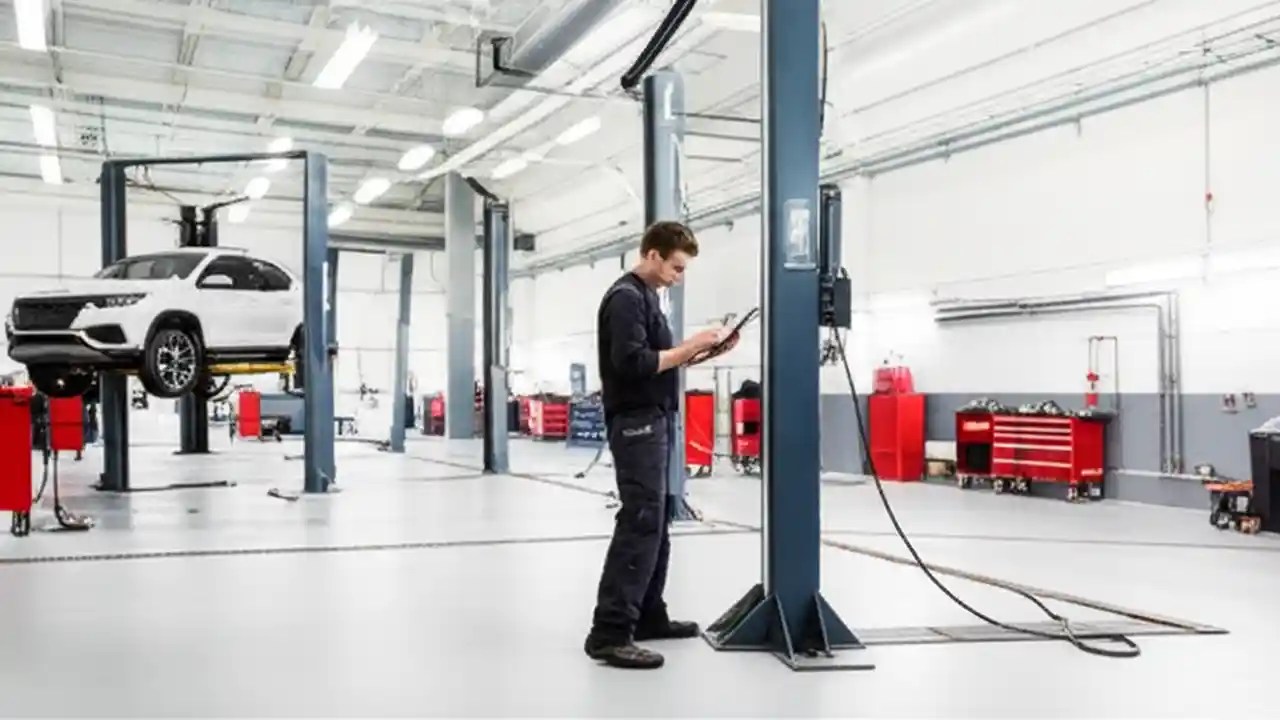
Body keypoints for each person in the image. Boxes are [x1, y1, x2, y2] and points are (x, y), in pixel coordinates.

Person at [583, 220, 735, 669]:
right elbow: (632, 363)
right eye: (675, 266)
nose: (678, 275)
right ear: (652, 255)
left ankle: (648, 614)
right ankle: (609, 633)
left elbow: (660, 362)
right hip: (635, 424)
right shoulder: (626, 298)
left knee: (658, 518)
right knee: (641, 519)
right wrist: (689, 347)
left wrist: (706, 350)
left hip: (654, 420)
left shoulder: (648, 297)